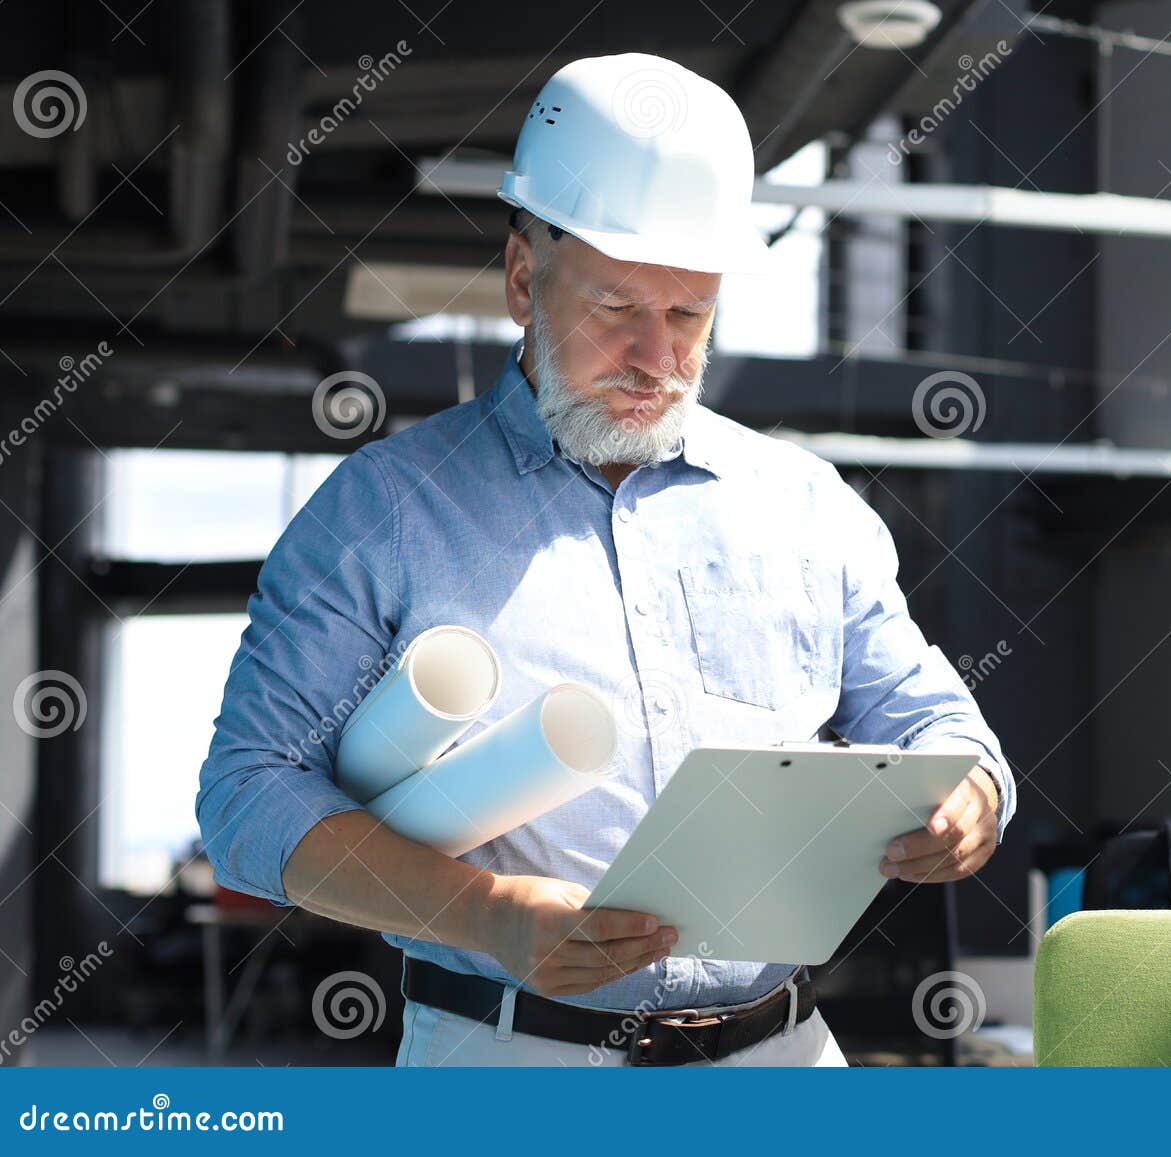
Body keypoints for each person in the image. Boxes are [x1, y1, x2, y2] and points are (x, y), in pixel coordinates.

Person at [196, 52, 1015, 1068]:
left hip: (782, 1060)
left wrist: (968, 801)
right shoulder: (383, 512)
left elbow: (941, 726)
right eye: (617, 306)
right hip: (509, 1066)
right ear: (522, 278)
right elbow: (246, 797)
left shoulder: (807, 508)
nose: (655, 359)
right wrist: (487, 912)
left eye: (687, 315)